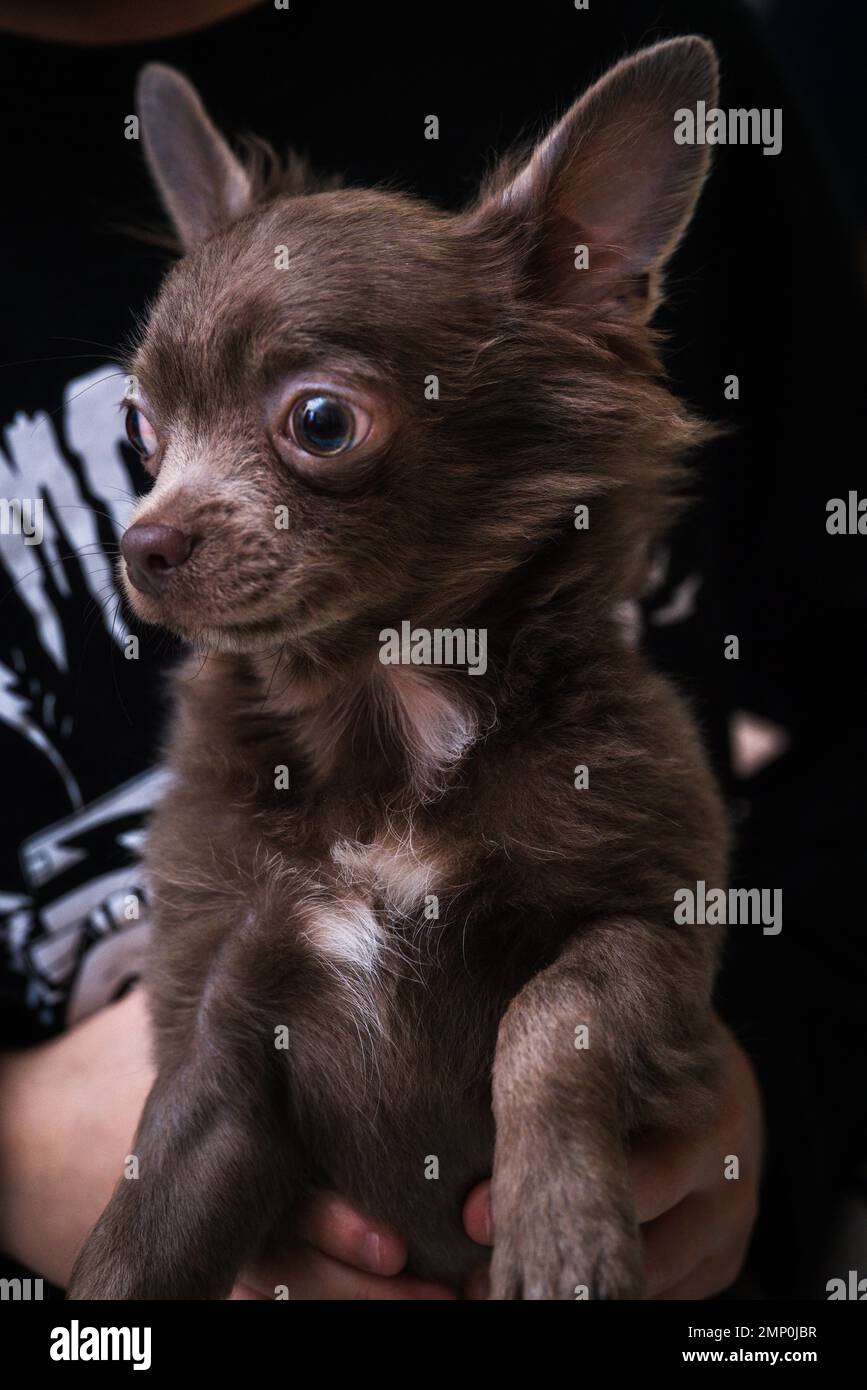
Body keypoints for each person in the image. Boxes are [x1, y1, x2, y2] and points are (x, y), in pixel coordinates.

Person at [0, 0, 861, 1300]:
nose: (153, 520)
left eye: (319, 426)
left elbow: (846, 751)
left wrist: (744, 1110)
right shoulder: (231, 794)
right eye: (148, 436)